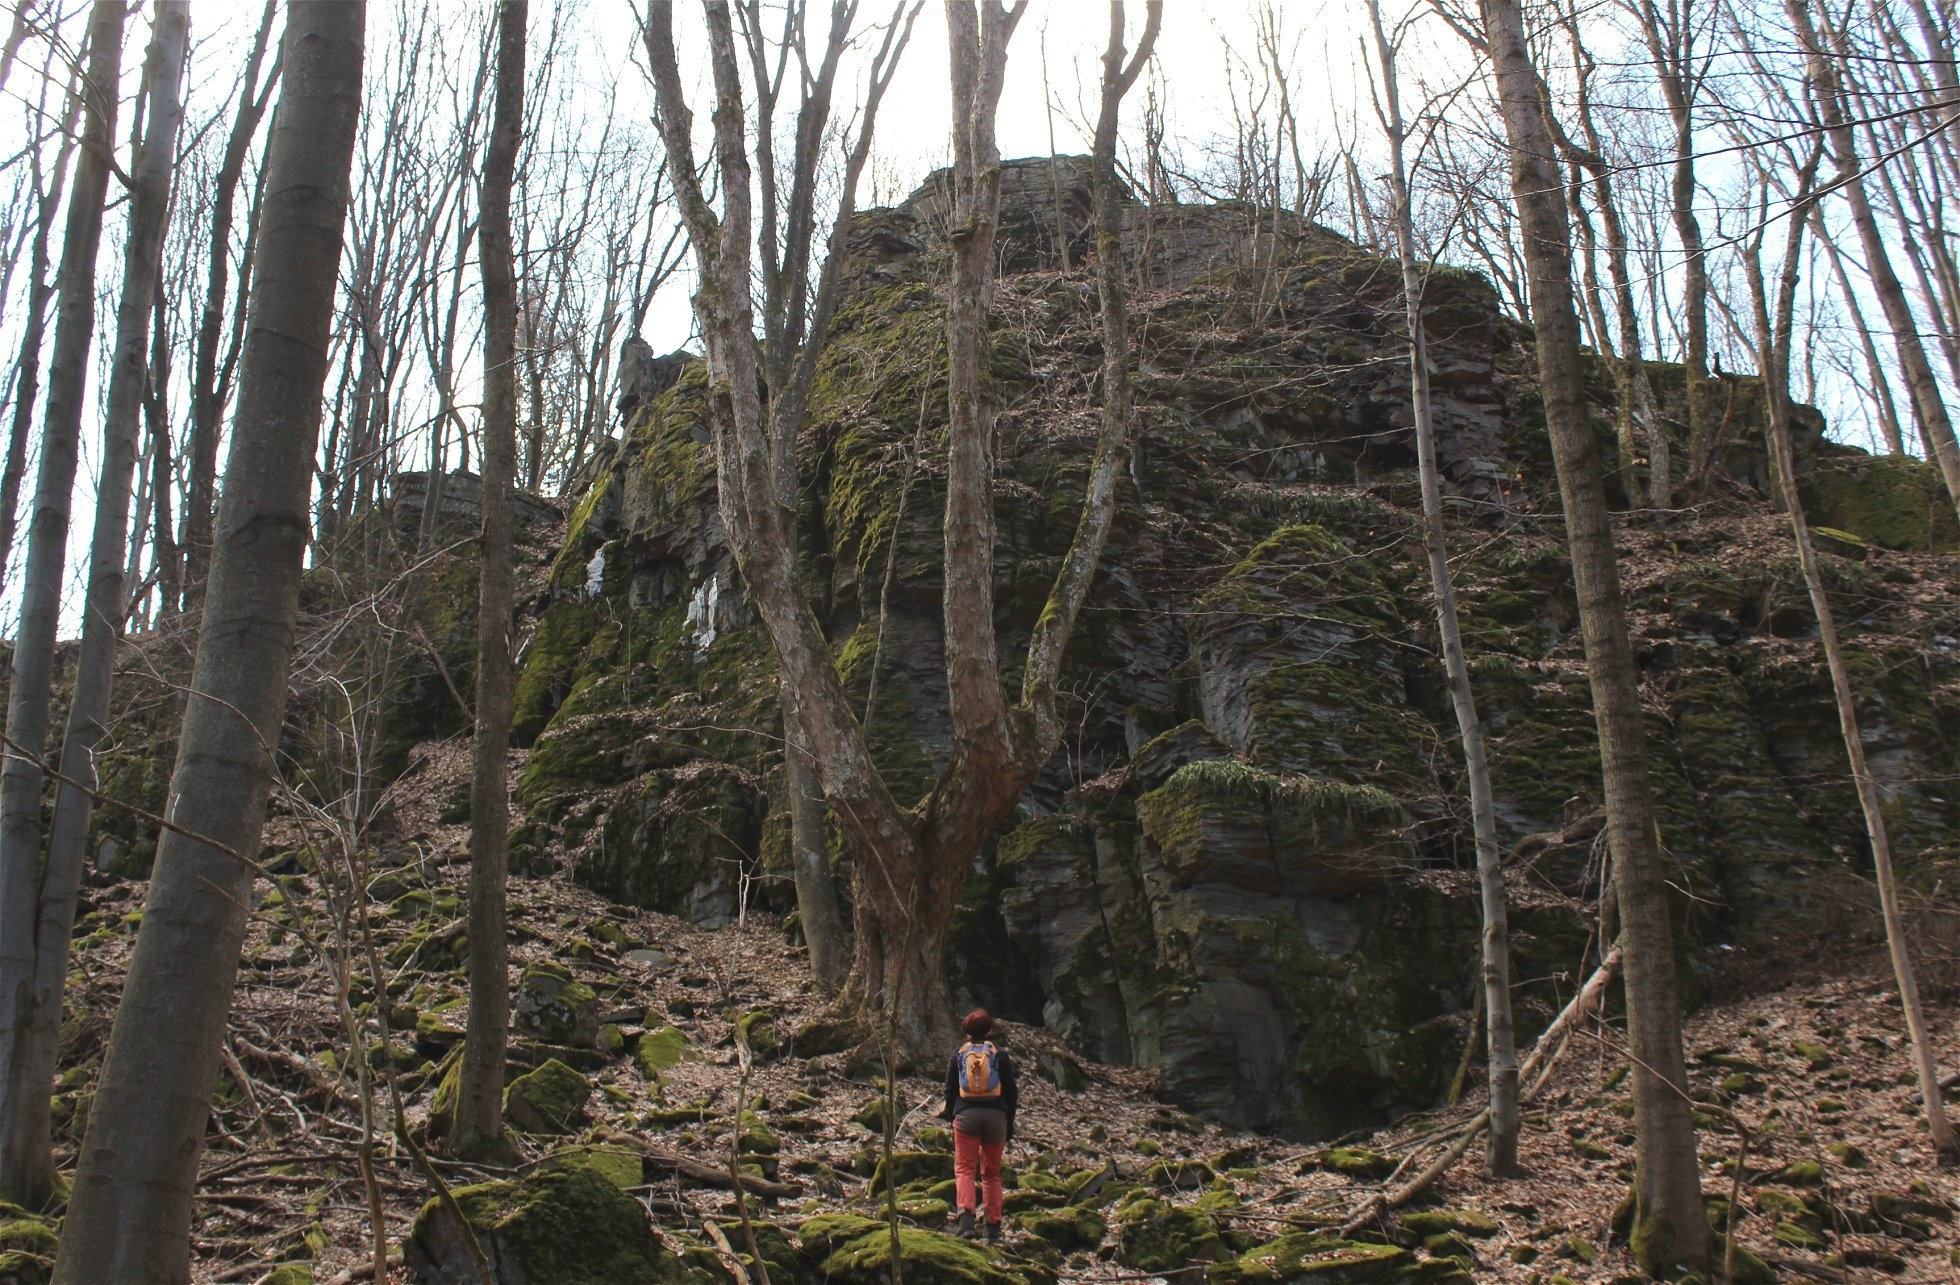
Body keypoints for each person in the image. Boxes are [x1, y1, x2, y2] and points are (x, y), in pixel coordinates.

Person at [942, 1009, 1018, 1242]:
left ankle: (966, 1222)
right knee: (992, 1173)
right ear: (989, 1030)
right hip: (996, 1117)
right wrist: (1009, 1121)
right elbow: (1011, 1091)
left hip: (966, 1116)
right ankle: (992, 1228)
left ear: (965, 1032)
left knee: (964, 1169)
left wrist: (951, 1114)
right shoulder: (999, 1055)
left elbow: (949, 1089)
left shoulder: (958, 1053)